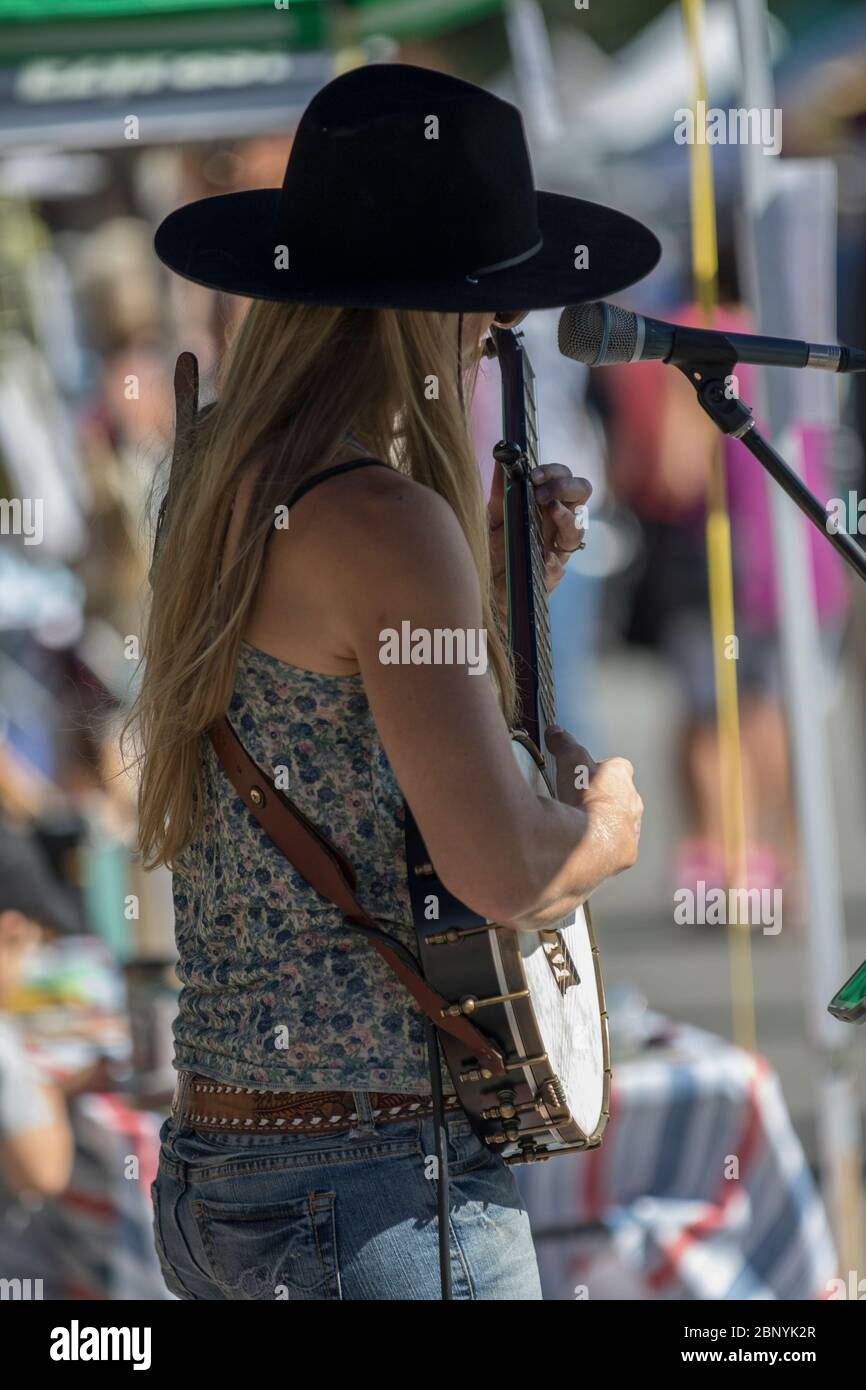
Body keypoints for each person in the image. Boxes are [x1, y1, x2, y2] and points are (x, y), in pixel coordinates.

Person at [134, 63, 654, 1301]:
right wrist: (611, 827)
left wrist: (497, 581)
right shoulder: (386, 521)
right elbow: (501, 871)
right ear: (434, 316)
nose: (489, 343)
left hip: (225, 1171)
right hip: (374, 1184)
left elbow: (357, 768)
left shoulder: (216, 487)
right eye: (487, 319)